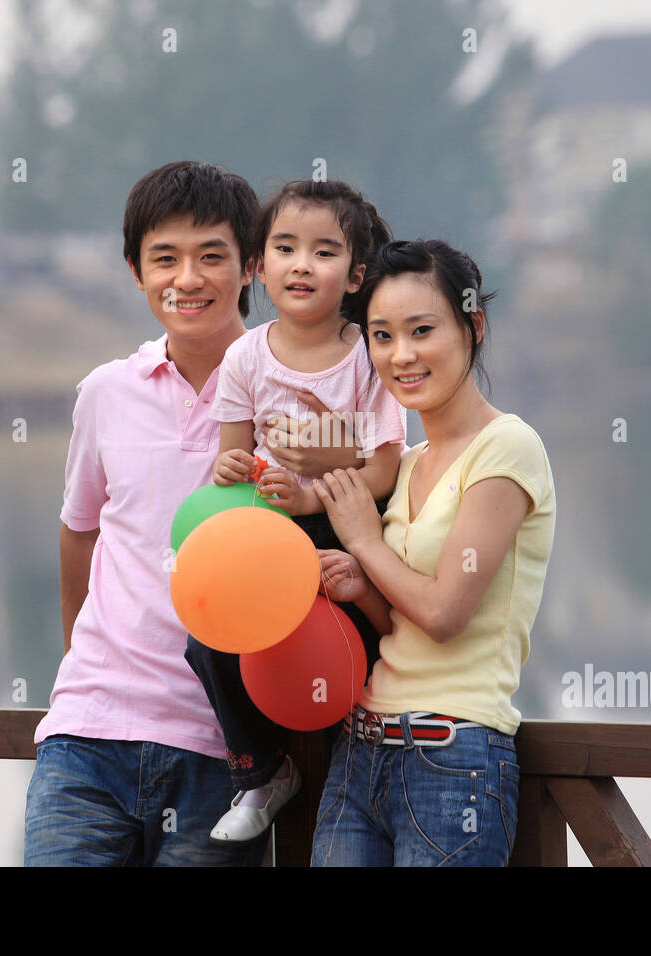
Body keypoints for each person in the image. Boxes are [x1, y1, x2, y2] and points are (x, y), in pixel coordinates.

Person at [22, 161, 360, 866]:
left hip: (225, 753)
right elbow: (80, 532)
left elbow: (368, 521)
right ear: (134, 270)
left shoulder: (304, 391)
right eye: (164, 258)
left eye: (212, 256)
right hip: (86, 738)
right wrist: (79, 668)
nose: (187, 278)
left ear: (250, 268)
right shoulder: (105, 393)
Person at [307, 239, 557, 867]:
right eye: (383, 336)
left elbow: (446, 614)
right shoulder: (408, 464)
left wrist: (365, 541)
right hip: (358, 752)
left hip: (453, 762)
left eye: (423, 331)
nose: (403, 355)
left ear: (472, 325)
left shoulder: (507, 447)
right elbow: (406, 626)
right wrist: (361, 586)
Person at [183, 180, 407, 844]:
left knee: (356, 649)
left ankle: (364, 772)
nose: (301, 264)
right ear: (259, 265)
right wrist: (231, 470)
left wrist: (316, 494)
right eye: (285, 247)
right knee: (210, 639)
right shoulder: (244, 356)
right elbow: (234, 466)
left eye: (324, 251)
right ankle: (260, 771)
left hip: (350, 529)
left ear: (356, 274)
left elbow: (388, 467)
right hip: (269, 533)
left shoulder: (368, 352)